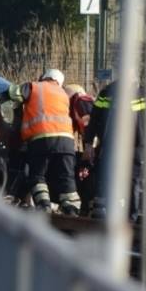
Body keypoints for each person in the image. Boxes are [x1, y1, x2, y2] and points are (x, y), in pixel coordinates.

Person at [8, 69, 81, 215]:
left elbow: (14, 93)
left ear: (45, 77)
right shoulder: (64, 94)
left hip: (41, 139)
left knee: (38, 176)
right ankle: (71, 209)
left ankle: (43, 206)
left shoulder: (35, 86)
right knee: (65, 176)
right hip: (66, 142)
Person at [85, 79, 146, 221]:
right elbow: (94, 118)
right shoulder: (107, 93)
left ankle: (131, 218)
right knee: (106, 177)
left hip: (136, 146)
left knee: (134, 181)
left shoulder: (144, 94)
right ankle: (103, 214)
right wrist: (88, 142)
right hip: (111, 144)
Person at [66, 84, 97, 214]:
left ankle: (88, 207)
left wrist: (90, 149)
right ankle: (87, 208)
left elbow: (90, 127)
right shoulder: (81, 103)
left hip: (96, 145)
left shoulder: (81, 101)